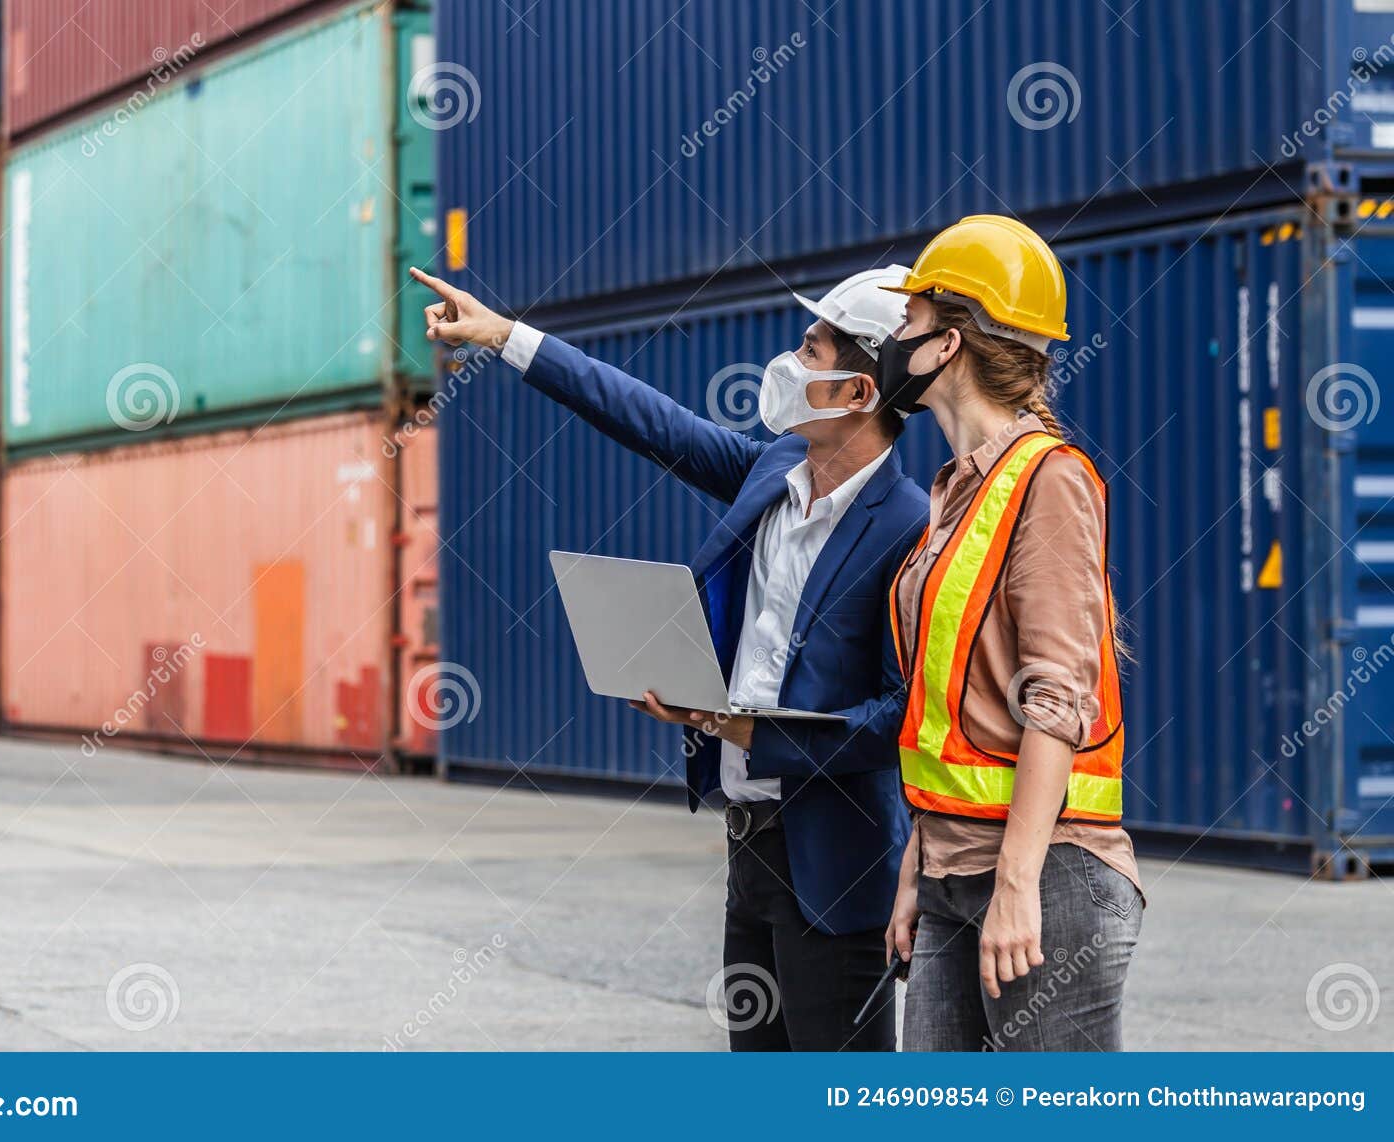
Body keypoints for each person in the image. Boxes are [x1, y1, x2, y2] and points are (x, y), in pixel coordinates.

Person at [411, 263, 928, 1051]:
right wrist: (505, 335)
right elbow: (645, 417)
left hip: (835, 866)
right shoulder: (771, 471)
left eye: (811, 348)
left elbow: (901, 714)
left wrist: (754, 732)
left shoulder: (911, 525)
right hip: (749, 843)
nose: (790, 362)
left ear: (858, 392)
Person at [869, 215, 1143, 1051]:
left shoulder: (1050, 480)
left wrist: (1017, 882)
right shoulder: (950, 492)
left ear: (949, 344)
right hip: (953, 870)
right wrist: (920, 867)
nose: (894, 342)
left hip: (1048, 872)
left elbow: (1057, 699)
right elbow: (946, 706)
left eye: (908, 324)